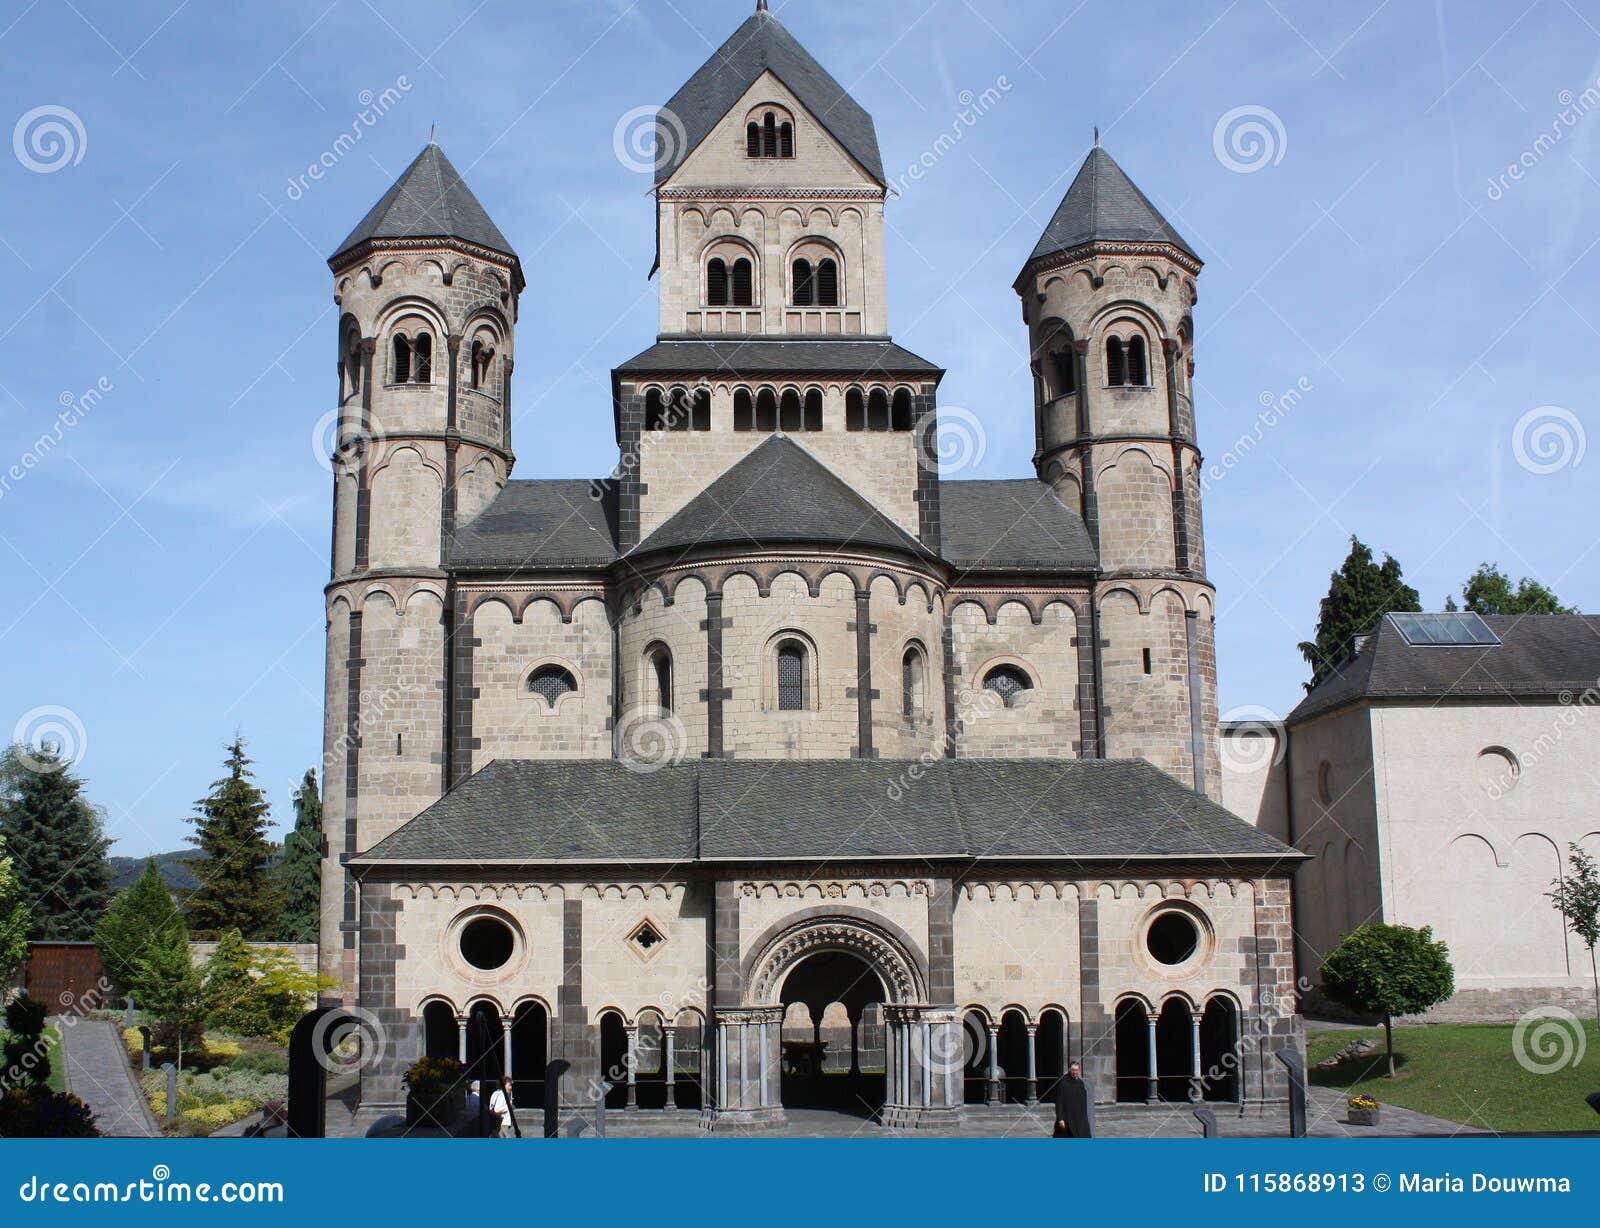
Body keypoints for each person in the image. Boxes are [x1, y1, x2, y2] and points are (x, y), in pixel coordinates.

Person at [1054, 1062, 1095, 1138]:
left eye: (1076, 1070)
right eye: (1073, 1070)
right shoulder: (1063, 1083)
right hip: (1068, 1119)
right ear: (1069, 1070)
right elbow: (1059, 1102)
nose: (1075, 1072)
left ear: (1079, 1070)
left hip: (1080, 1119)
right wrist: (1060, 1118)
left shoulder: (1080, 1083)